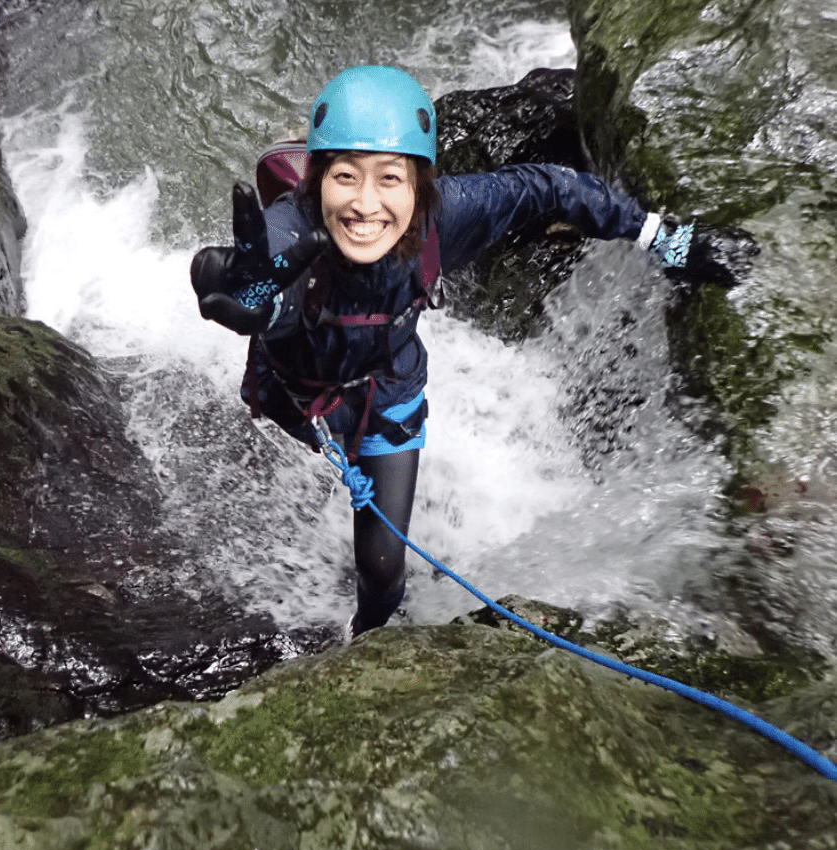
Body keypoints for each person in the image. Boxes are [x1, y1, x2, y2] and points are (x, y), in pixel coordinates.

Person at [190, 65, 740, 638]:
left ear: (419, 188)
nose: (365, 204)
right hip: (297, 399)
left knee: (381, 569)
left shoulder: (445, 218)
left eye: (390, 180)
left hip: (388, 395)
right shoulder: (289, 236)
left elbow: (551, 187)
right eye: (345, 177)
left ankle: (362, 650)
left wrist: (665, 239)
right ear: (315, 183)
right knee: (298, 476)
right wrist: (249, 295)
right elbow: (251, 278)